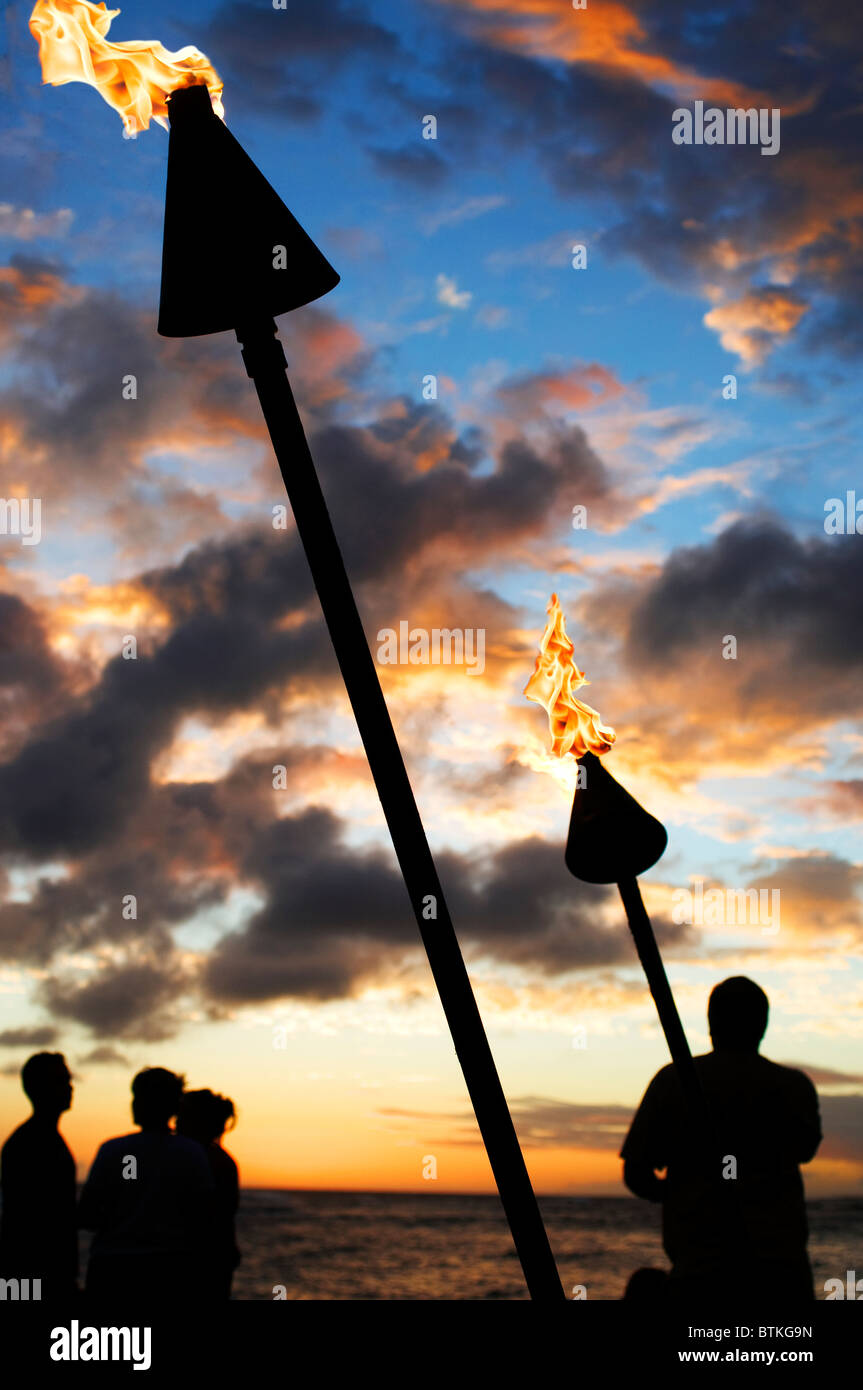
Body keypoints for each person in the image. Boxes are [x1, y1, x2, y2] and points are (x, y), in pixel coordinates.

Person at [620, 976, 822, 1300]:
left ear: (711, 1022)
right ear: (763, 1024)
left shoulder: (673, 1081)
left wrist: (683, 1193)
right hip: (781, 1274)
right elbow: (805, 1147)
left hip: (700, 1271)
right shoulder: (792, 1086)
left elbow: (636, 1173)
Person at [78, 1068, 214, 1302]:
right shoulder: (191, 1153)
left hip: (112, 1268)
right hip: (171, 1270)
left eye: (138, 1096)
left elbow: (88, 1215)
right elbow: (204, 1219)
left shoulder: (112, 1149)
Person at [0, 1051, 78, 1299]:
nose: (70, 1088)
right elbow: (37, 1214)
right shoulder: (32, 1141)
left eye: (68, 1080)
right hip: (35, 1269)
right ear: (37, 1088)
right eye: (61, 1081)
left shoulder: (40, 1137)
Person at [176, 1089, 241, 1299]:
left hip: (198, 1261)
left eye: (182, 1116)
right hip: (216, 1259)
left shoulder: (206, 1161)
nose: (175, 1123)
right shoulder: (224, 1161)